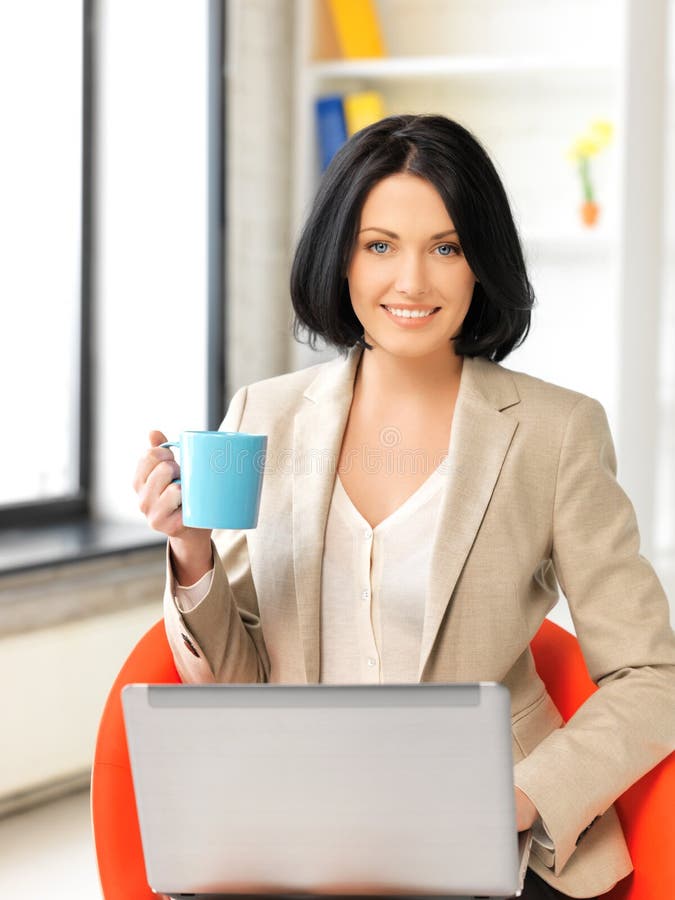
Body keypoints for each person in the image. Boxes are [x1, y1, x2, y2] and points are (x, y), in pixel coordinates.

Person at [133, 114, 675, 899]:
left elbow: (651, 675)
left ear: (481, 262)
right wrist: (191, 551)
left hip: (486, 839)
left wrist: (518, 799)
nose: (412, 282)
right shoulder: (264, 417)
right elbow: (237, 686)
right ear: (340, 260)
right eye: (379, 245)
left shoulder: (555, 432)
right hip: (296, 823)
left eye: (445, 248)